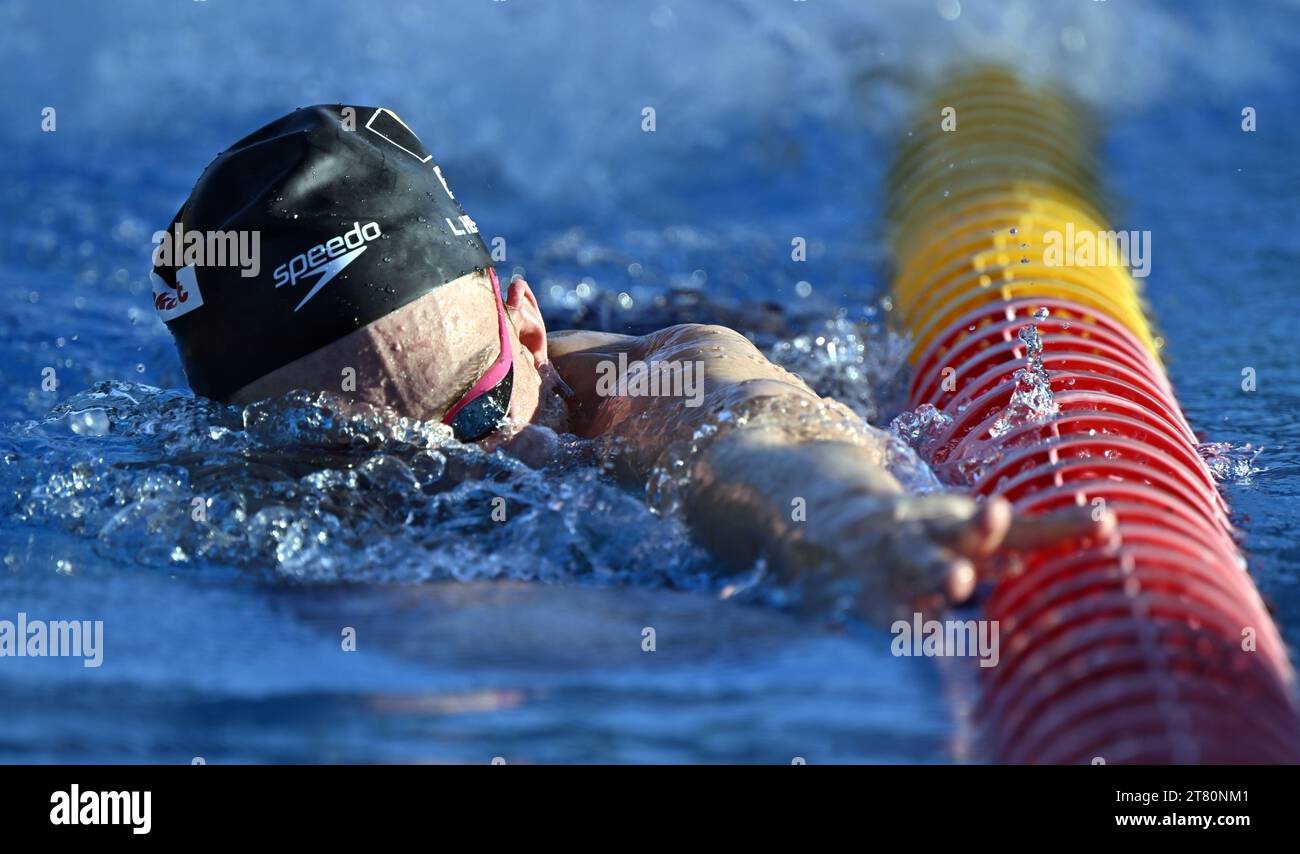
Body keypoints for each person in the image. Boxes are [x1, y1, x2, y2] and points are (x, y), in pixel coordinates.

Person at [150, 105, 1109, 621]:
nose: (451, 479)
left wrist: (857, 525)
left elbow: (750, 433)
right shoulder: (210, 511)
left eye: (477, 417)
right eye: (348, 463)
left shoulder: (648, 384)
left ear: (528, 332)